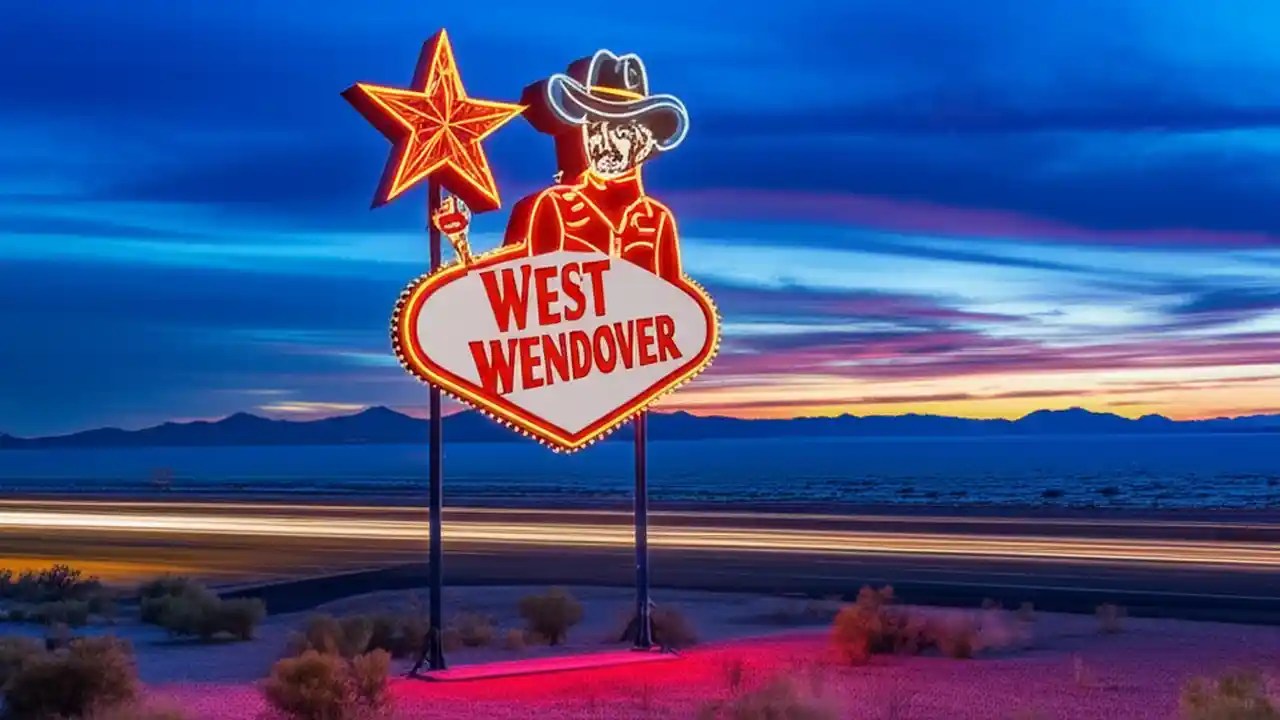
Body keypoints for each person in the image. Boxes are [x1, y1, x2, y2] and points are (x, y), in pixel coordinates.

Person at [504, 50, 690, 283]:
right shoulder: (557, 208)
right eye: (594, 131)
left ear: (642, 142)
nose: (603, 144)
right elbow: (524, 294)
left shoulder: (657, 219)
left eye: (619, 132)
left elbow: (676, 304)